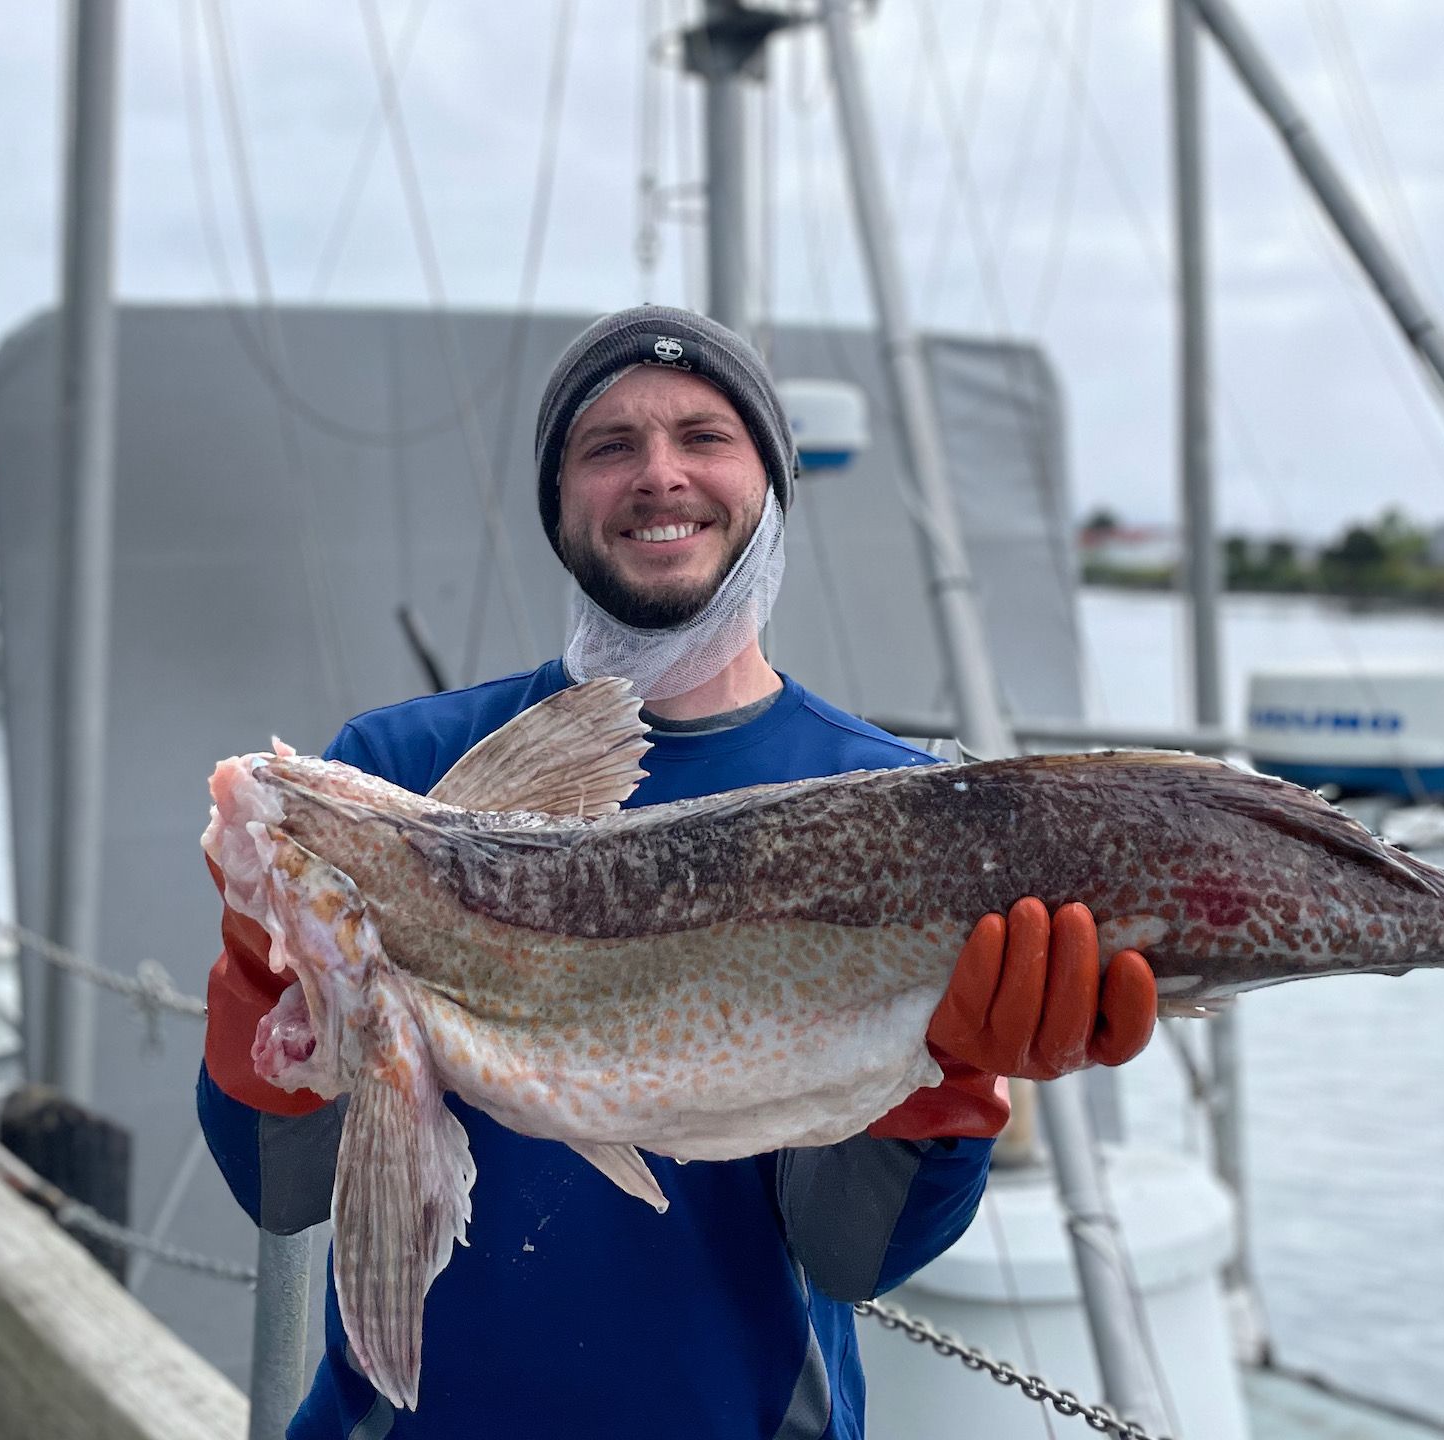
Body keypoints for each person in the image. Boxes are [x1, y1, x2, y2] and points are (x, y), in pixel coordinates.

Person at [197, 305, 1160, 1438]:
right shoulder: (399, 772)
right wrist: (274, 985)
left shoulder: (901, 801)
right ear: (558, 503)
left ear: (770, 479)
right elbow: (282, 1190)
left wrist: (942, 1083)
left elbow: (851, 1257)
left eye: (705, 437)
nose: (659, 476)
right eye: (608, 446)